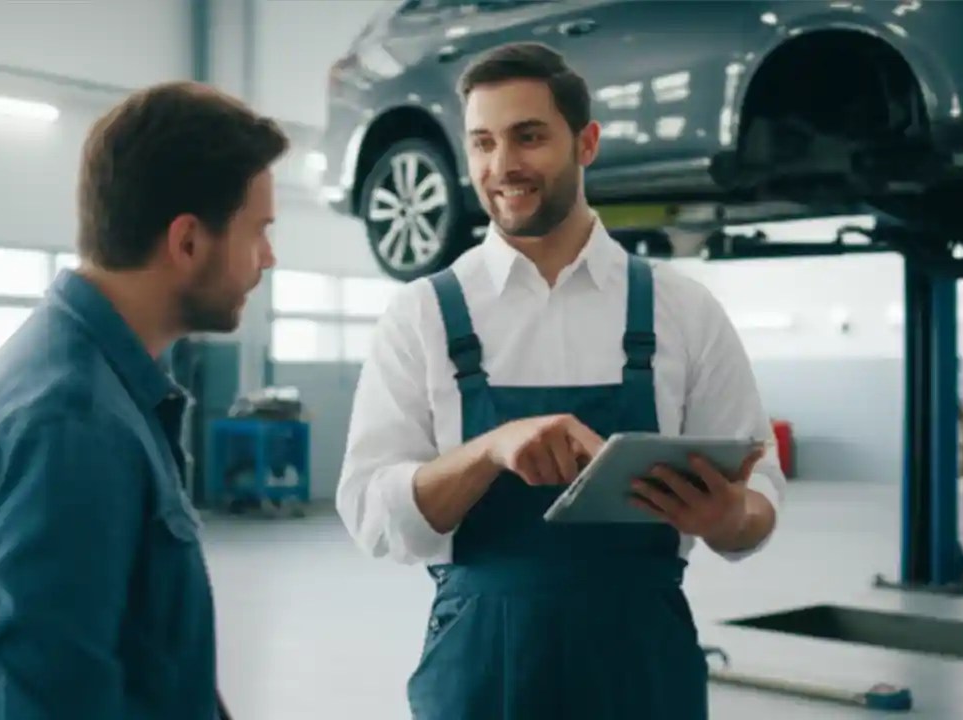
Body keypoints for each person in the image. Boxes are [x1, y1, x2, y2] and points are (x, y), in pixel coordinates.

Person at [336, 42, 786, 719]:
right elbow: (373, 513)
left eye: (528, 137)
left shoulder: (682, 311)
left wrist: (730, 519)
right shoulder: (422, 315)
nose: (502, 166)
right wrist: (489, 450)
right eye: (482, 142)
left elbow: (760, 487)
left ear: (587, 143)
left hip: (644, 661)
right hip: (483, 665)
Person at [0, 81, 288, 720]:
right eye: (258, 231)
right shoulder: (70, 422)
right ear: (187, 242)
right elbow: (46, 699)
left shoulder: (103, 387)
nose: (269, 257)